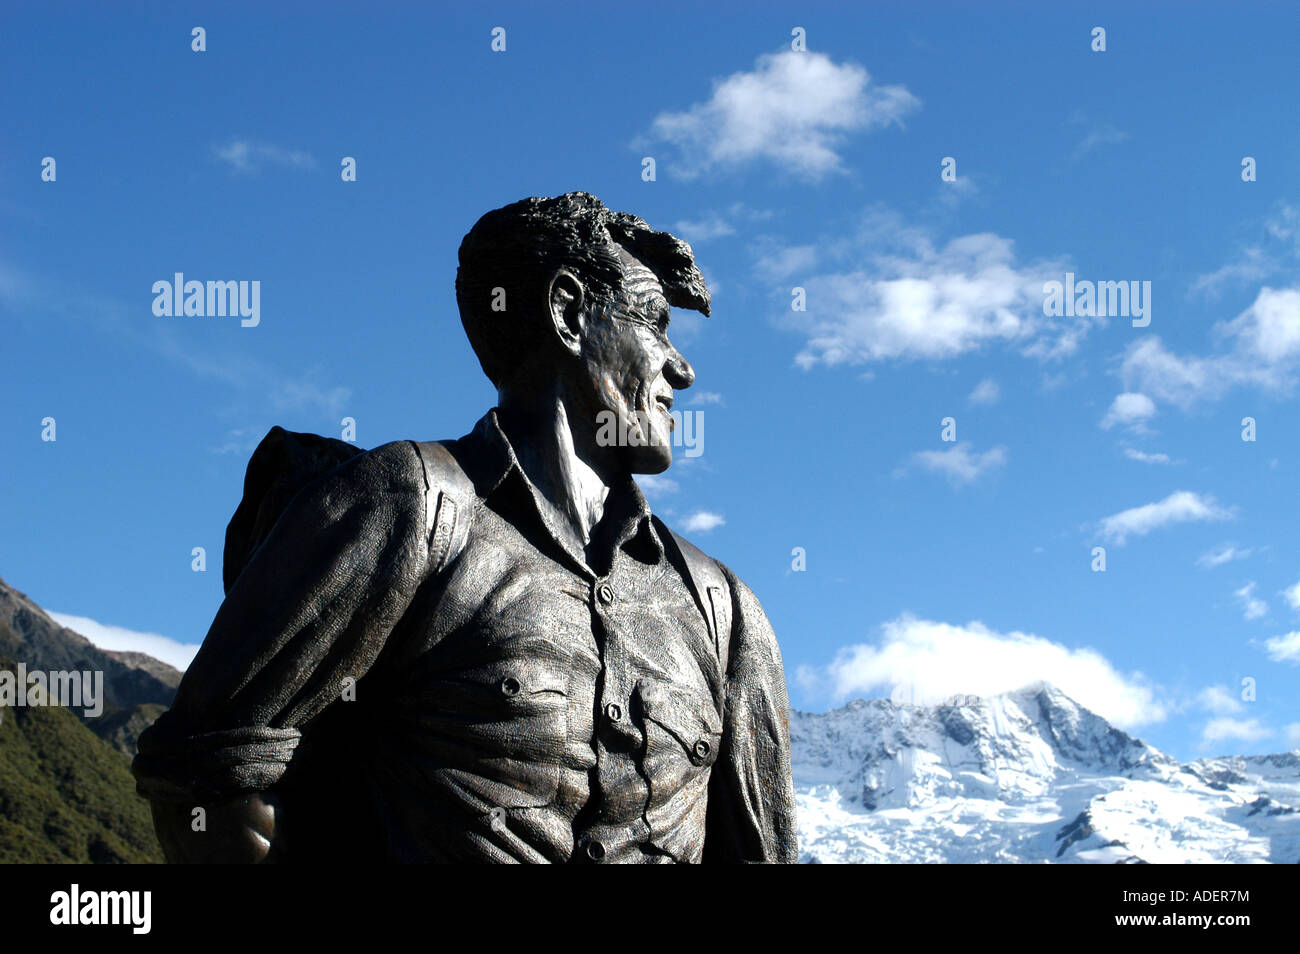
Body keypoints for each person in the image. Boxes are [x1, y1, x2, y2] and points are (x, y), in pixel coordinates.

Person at [134, 192, 797, 863]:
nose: (681, 369)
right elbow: (207, 765)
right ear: (569, 313)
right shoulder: (410, 504)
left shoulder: (722, 609)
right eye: (654, 324)